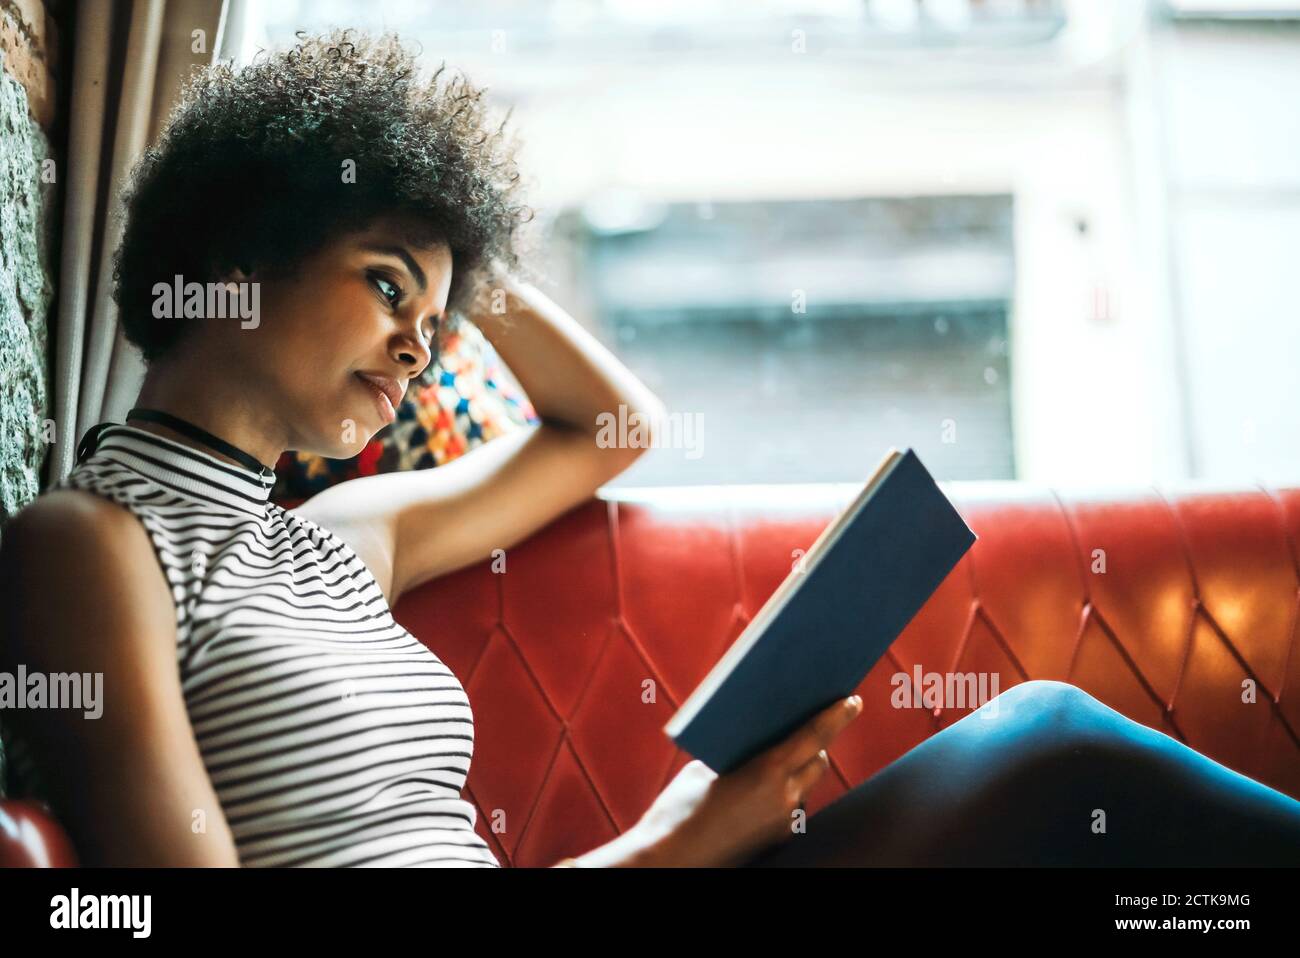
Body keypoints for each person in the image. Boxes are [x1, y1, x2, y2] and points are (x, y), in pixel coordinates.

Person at [2, 30, 1298, 868]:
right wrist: (670, 845)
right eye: (385, 289)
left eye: (434, 324)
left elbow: (612, 429)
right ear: (238, 259)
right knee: (1046, 755)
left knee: (1062, 779)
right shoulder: (91, 539)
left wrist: (454, 252)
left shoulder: (346, 533)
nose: (418, 349)